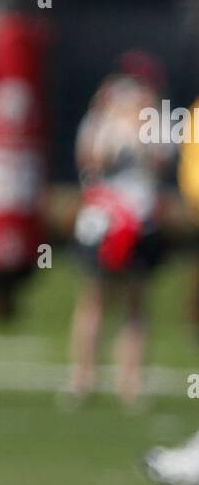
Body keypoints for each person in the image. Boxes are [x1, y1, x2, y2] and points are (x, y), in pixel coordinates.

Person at [66, 53, 169, 408]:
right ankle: (82, 378)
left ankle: (130, 382)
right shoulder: (100, 118)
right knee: (93, 298)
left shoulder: (154, 119)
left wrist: (142, 124)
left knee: (135, 301)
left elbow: (159, 165)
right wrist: (111, 119)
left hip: (139, 218)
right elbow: (90, 162)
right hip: (103, 219)